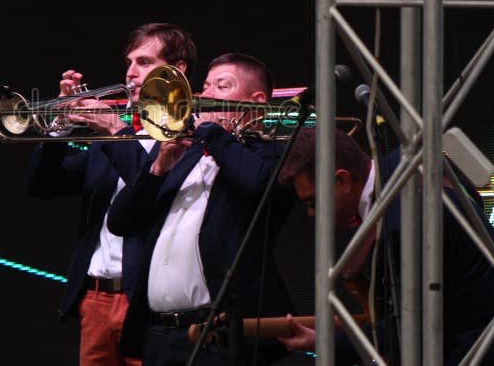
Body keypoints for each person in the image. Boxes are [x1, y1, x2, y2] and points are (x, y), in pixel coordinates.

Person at [24, 22, 197, 366]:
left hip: (149, 303)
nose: (131, 74)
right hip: (96, 298)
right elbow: (41, 185)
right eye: (130, 62)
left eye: (144, 62)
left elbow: (150, 193)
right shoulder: (112, 142)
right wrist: (60, 124)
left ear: (176, 71)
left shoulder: (191, 137)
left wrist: (114, 129)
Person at [107, 52, 296, 365]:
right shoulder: (187, 156)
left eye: (221, 86)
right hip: (159, 333)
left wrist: (211, 130)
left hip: (222, 333)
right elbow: (121, 221)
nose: (203, 95)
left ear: (257, 100)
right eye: (206, 86)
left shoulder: (273, 152)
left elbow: (256, 184)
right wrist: (157, 170)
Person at [276, 127, 494, 365]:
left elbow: (404, 328)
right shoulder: (410, 163)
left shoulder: (403, 220)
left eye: (313, 202)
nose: (312, 213)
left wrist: (324, 342)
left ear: (343, 180)